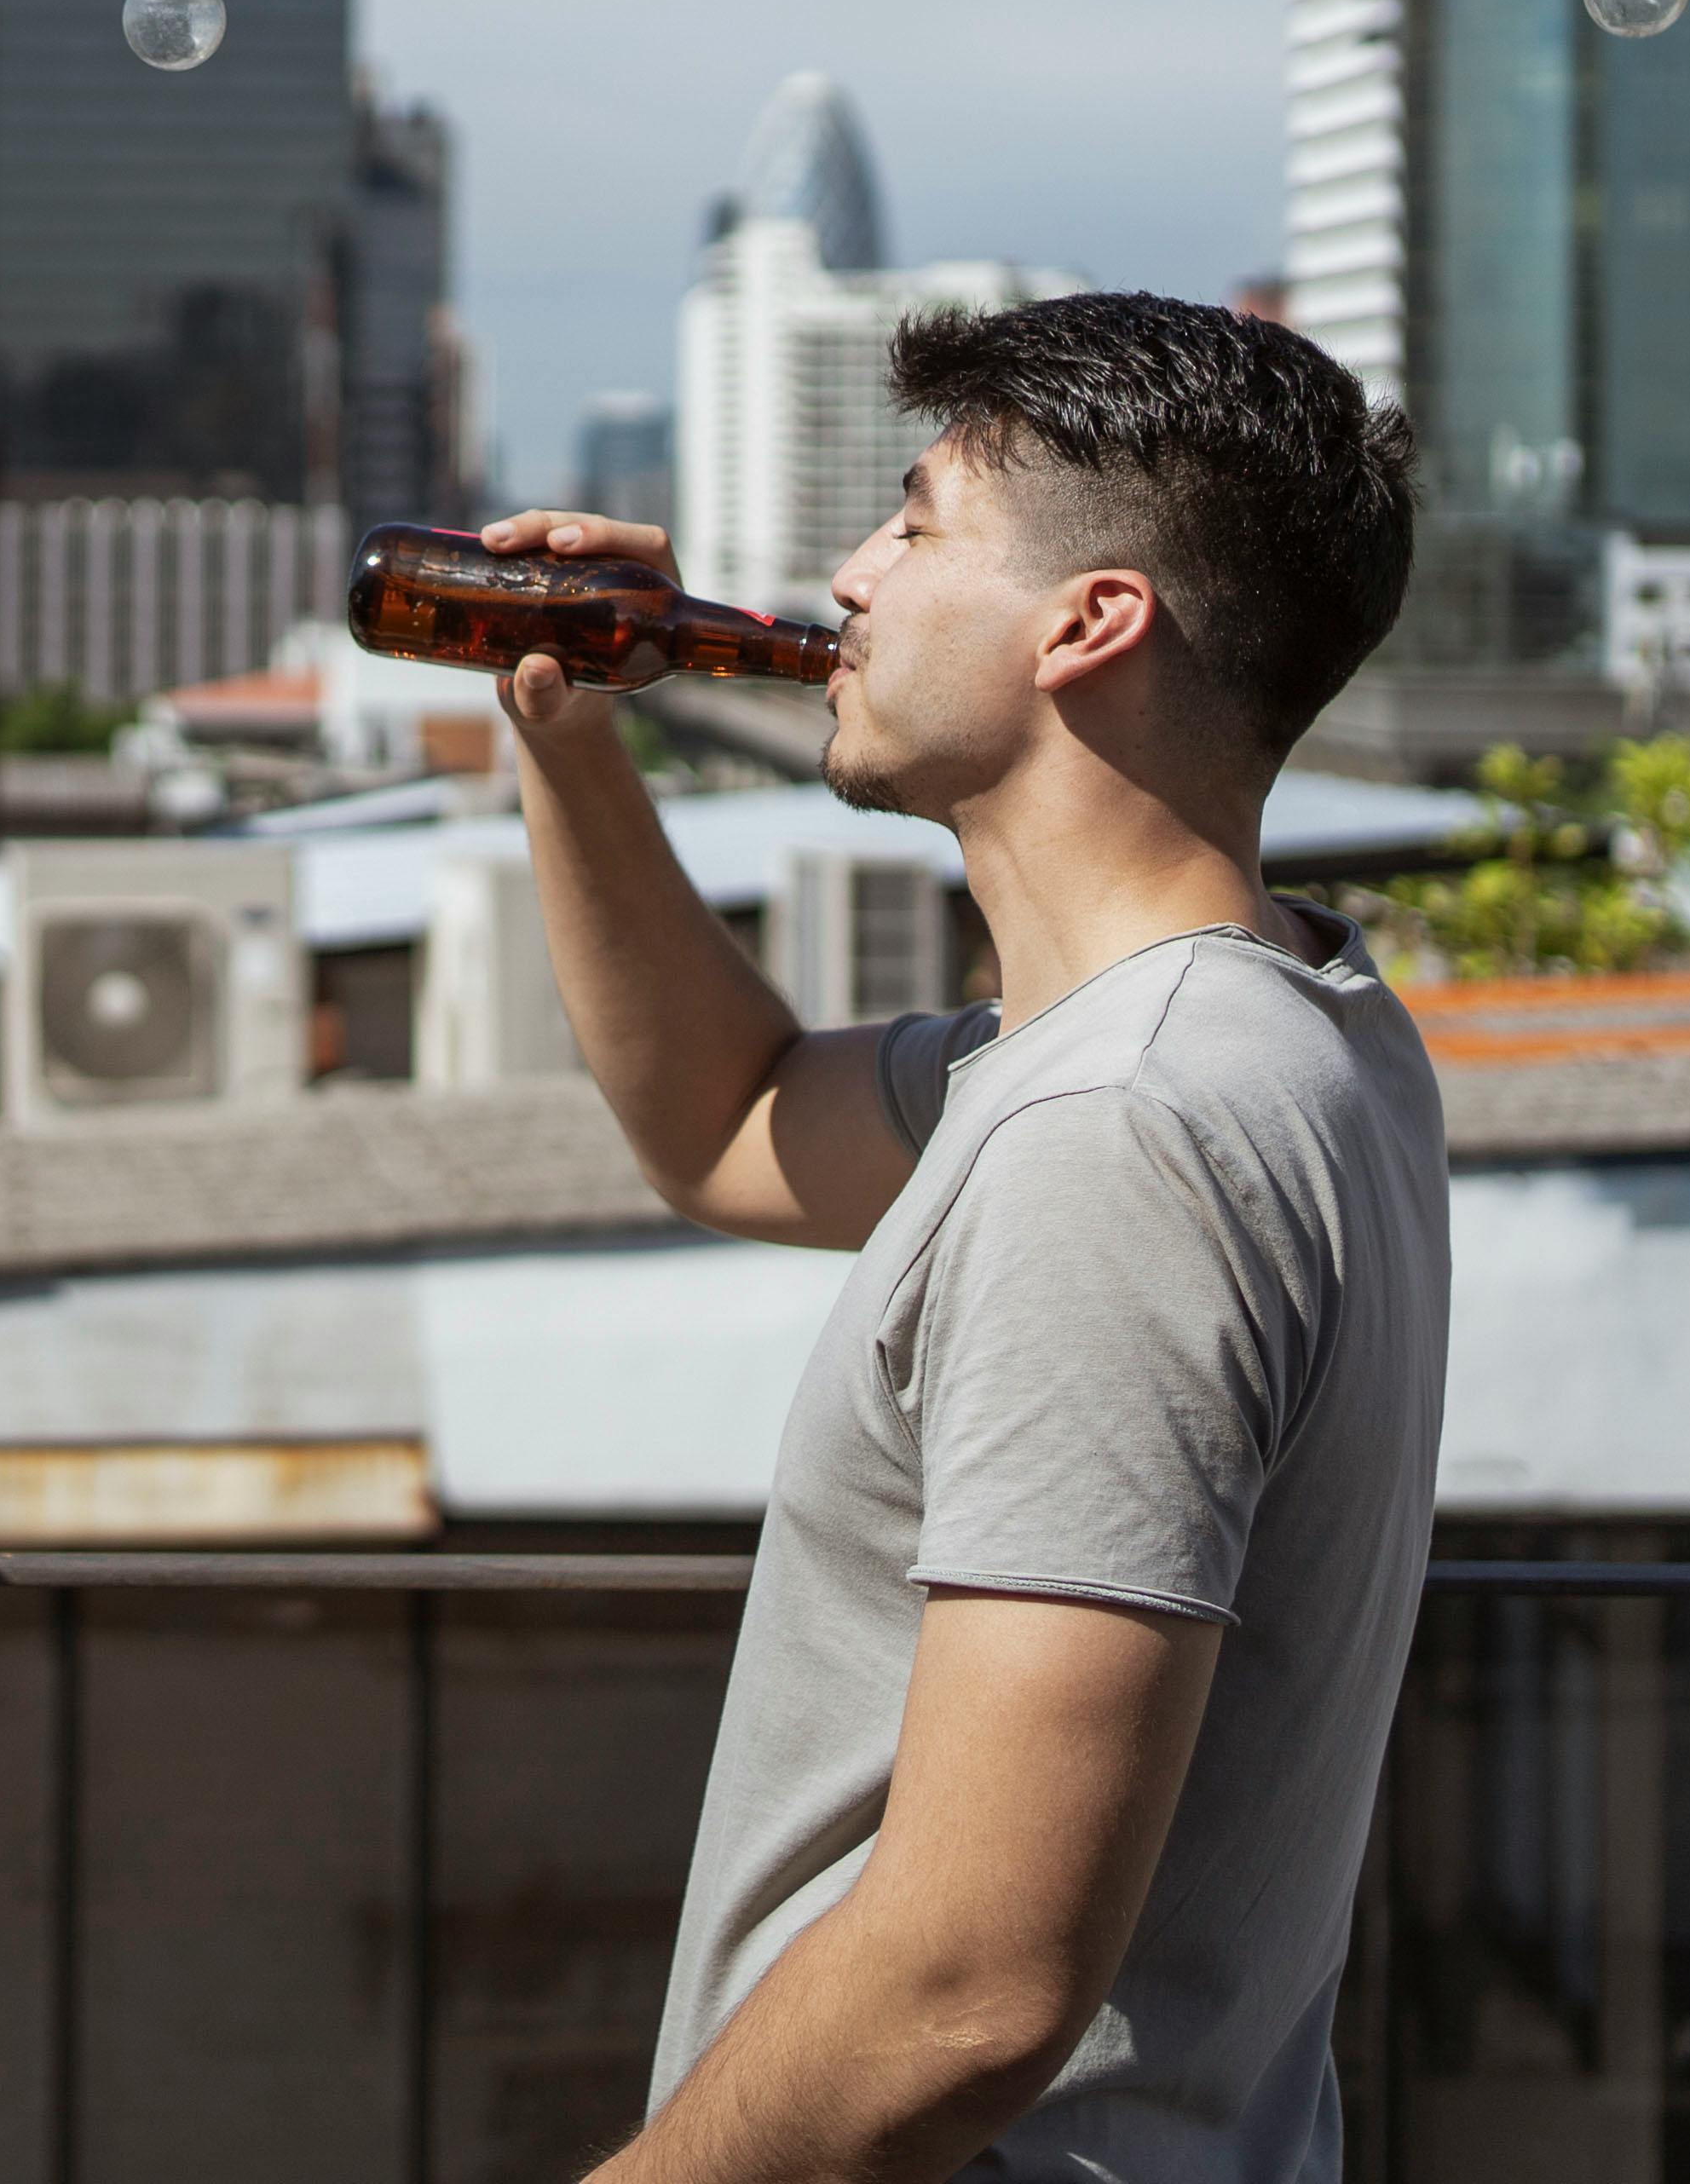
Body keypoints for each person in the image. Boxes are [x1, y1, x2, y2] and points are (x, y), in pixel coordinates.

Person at [489, 293, 1439, 2184]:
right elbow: (729, 1122)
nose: (846, 578)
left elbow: (973, 1986)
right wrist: (573, 742)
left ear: (1087, 625)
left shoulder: (1122, 1137)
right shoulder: (1269, 1022)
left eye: (914, 524)